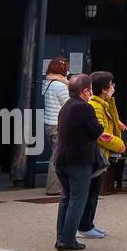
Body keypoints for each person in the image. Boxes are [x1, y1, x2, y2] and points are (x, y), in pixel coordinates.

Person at [53, 74, 110, 251]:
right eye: (90, 90)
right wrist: (100, 132)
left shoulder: (66, 107)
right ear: (85, 91)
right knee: (78, 199)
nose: (91, 93)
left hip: (62, 158)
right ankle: (68, 240)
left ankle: (61, 237)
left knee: (66, 198)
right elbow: (96, 129)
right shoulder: (84, 108)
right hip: (78, 161)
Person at [83, 71, 124, 234]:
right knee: (90, 194)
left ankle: (88, 225)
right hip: (96, 154)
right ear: (104, 88)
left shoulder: (104, 104)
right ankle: (85, 226)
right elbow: (100, 134)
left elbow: (111, 121)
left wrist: (111, 101)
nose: (113, 87)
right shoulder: (96, 106)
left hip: (100, 154)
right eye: (111, 84)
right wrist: (119, 144)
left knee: (93, 193)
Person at [41, 57, 70, 196]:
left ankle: (58, 185)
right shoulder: (60, 86)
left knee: (56, 154)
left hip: (49, 123)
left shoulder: (48, 83)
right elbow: (69, 103)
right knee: (57, 156)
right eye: (66, 68)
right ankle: (54, 187)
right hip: (59, 124)